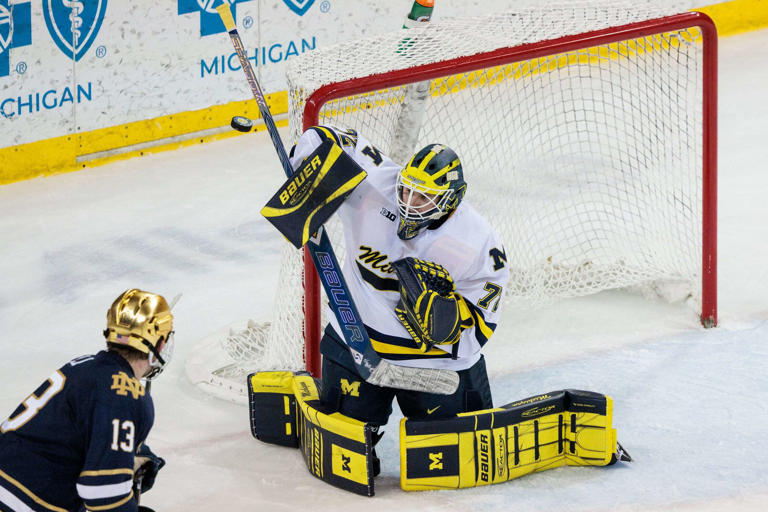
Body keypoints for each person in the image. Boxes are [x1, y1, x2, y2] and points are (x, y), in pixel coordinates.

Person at [288, 125, 509, 466]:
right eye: (406, 191)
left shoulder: (479, 243)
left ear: (451, 199)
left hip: (433, 364)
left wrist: (449, 322)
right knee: (351, 461)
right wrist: (307, 162)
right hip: (356, 340)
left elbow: (482, 320)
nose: (408, 202)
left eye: (423, 198)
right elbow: (333, 138)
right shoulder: (376, 184)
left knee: (462, 460)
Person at [0, 289, 173, 512]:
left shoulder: (83, 366)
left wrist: (129, 459)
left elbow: (75, 433)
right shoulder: (130, 393)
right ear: (159, 345)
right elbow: (102, 494)